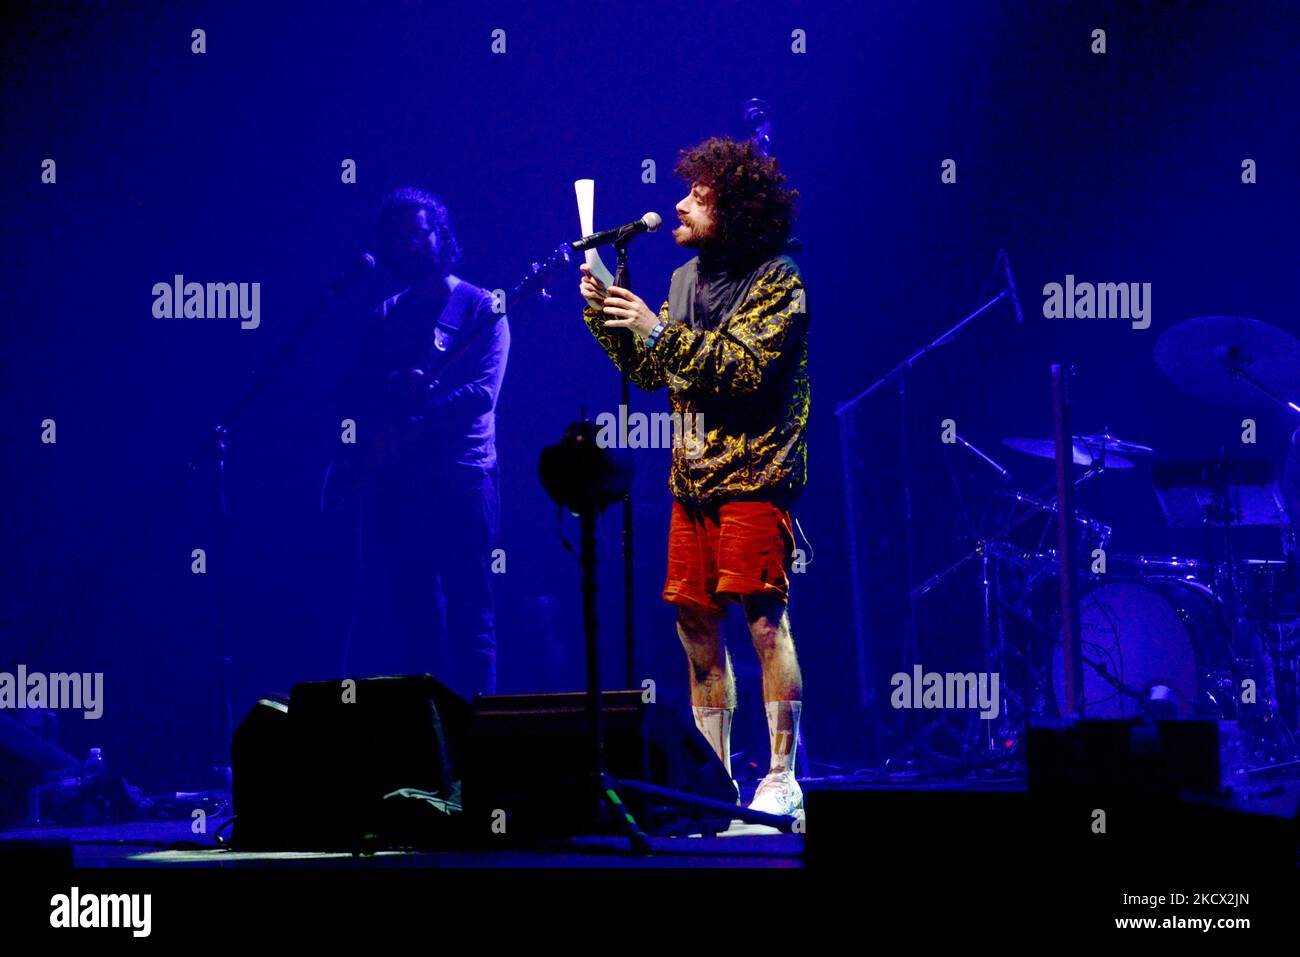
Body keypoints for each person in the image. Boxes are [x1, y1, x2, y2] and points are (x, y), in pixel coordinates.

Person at [578, 137, 809, 814]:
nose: (678, 204)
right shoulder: (682, 282)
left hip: (755, 475)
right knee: (695, 627)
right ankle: (718, 780)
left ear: (732, 211)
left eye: (698, 198)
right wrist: (608, 314)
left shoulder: (777, 280)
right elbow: (657, 371)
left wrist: (656, 332)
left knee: (765, 624)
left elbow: (744, 370)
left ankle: (780, 777)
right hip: (693, 480)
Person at [338, 187, 508, 697]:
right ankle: (430, 750)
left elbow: (482, 393)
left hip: (461, 479)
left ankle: (479, 751)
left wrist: (419, 404)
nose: (408, 245)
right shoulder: (386, 314)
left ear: (442, 236)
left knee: (469, 618)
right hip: (401, 485)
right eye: (397, 238)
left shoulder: (478, 305)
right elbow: (356, 392)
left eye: (419, 233)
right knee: (415, 621)